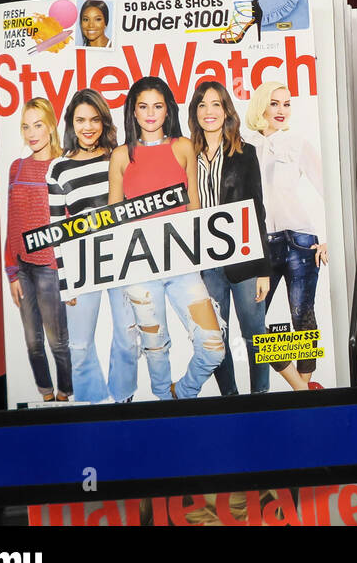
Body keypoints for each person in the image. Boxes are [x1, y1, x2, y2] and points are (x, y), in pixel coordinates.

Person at [108, 76, 224, 399]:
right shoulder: (121, 156)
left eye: (157, 106)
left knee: (213, 348)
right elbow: (114, 218)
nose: (150, 113)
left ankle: (181, 395)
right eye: (143, 106)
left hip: (182, 263)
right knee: (155, 349)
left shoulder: (183, 147)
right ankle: (164, 403)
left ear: (167, 110)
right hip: (140, 268)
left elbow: (194, 207)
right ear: (133, 111)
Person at [187, 81, 292, 393]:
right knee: (215, 339)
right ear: (195, 112)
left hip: (244, 261)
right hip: (206, 264)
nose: (209, 111)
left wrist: (264, 270)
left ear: (226, 111)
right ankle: (230, 399)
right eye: (202, 105)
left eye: (216, 104)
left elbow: (257, 211)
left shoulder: (245, 154)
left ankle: (260, 397)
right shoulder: (187, 155)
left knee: (255, 335)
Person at [47, 88, 135, 403]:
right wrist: (65, 281)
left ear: (104, 122)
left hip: (123, 256)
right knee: (80, 346)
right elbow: (56, 229)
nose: (88, 127)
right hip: (81, 263)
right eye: (81, 120)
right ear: (71, 123)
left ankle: (123, 401)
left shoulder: (118, 156)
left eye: (95, 120)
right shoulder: (58, 168)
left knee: (129, 338)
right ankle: (92, 405)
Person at [246, 80, 328, 387]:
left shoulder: (298, 143)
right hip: (261, 245)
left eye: (287, 103)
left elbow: (329, 188)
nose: (282, 110)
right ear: (261, 106)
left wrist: (329, 238)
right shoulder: (244, 144)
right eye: (274, 103)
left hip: (300, 240)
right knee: (252, 319)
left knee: (302, 316)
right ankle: (302, 389)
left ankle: (303, 390)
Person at [4, 97, 73, 401]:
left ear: (51, 127)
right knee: (33, 343)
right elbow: (12, 222)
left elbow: (73, 226)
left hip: (50, 269)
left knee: (58, 342)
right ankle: (45, 394)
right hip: (22, 268)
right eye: (25, 127)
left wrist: (69, 278)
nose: (31, 133)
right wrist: (11, 272)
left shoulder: (64, 167)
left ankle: (66, 393)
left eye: (38, 125)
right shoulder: (16, 168)